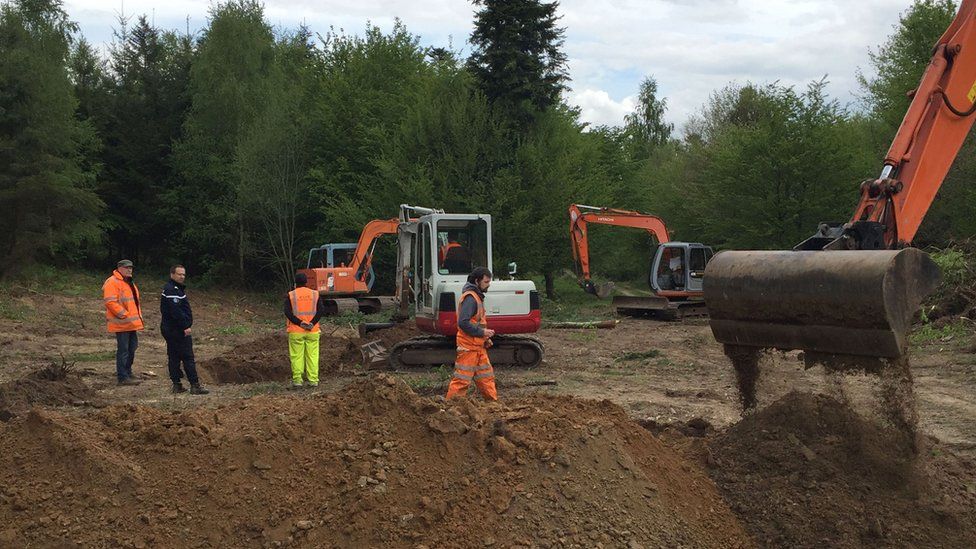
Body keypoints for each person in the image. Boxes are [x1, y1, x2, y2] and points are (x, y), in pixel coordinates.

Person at [445, 267, 497, 401]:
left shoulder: (476, 297)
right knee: (462, 380)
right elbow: (463, 323)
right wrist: (482, 332)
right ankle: (451, 406)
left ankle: (493, 404)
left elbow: (476, 322)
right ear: (476, 281)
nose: (488, 284)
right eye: (486, 282)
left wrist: (484, 338)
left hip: (477, 346)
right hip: (469, 346)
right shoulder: (471, 298)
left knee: (486, 378)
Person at [160, 265, 208, 395]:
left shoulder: (175, 289)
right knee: (187, 356)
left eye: (183, 275)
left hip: (171, 328)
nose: (182, 277)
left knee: (174, 356)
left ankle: (177, 385)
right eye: (179, 274)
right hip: (176, 330)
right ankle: (195, 385)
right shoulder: (171, 290)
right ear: (172, 274)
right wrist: (185, 326)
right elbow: (176, 311)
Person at [102, 259, 143, 386]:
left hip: (131, 324)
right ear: (119, 268)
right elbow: (110, 301)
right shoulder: (112, 282)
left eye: (131, 267)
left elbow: (134, 303)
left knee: (132, 348)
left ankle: (127, 372)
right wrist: (124, 315)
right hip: (122, 324)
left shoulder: (129, 282)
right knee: (124, 350)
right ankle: (123, 377)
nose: (129, 269)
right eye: (126, 268)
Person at [284, 273, 324, 389]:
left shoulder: (291, 295)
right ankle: (313, 380)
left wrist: (299, 323)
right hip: (313, 331)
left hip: (296, 331)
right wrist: (312, 323)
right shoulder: (315, 294)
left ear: (295, 283)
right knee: (312, 355)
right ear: (306, 282)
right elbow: (321, 310)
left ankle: (297, 380)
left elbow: (287, 312)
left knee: (296, 356)